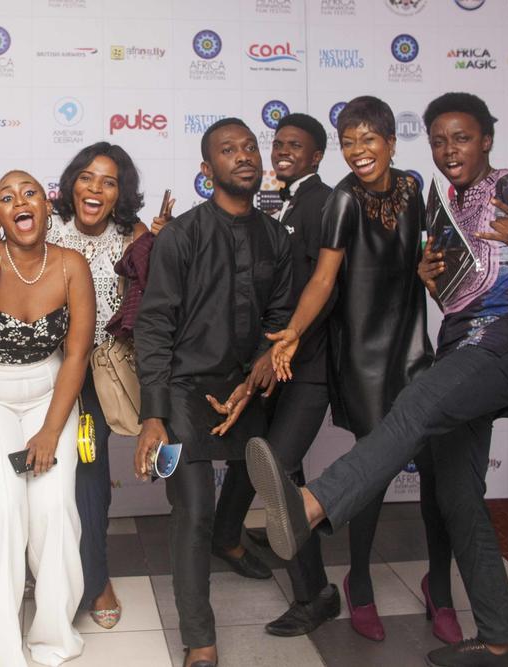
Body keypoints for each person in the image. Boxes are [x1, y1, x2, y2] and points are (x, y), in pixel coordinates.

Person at [250, 92, 508, 667]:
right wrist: (435, 281)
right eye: (440, 139)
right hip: (459, 343)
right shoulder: (446, 200)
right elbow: (458, 286)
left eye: (462, 137)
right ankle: (501, 641)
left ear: (486, 141)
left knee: (417, 402)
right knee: (457, 497)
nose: (449, 149)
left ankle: (309, 506)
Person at [248, 96, 458, 645]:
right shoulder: (342, 200)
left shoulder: (413, 190)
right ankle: (359, 585)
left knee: (439, 471)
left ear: (391, 141)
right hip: (362, 356)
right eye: (348, 141)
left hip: (412, 345)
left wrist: (427, 271)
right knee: (373, 472)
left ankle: (442, 586)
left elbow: (420, 257)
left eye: (368, 140)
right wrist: (292, 331)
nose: (358, 151)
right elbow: (322, 279)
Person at [134, 118, 292, 667]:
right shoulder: (181, 235)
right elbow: (153, 326)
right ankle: (199, 639)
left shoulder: (277, 237)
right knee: (192, 507)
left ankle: (231, 540)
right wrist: (154, 415)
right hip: (183, 392)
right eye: (228, 150)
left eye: (250, 147)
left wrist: (256, 377)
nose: (243, 156)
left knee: (253, 472)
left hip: (249, 388)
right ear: (208, 170)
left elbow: (281, 318)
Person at [0, 170, 94, 666]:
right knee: (4, 510)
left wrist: (51, 431)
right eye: (6, 197)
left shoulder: (72, 265)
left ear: (46, 207)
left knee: (54, 511)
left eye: (29, 192)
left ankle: (53, 637)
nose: (19, 201)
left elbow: (76, 355)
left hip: (49, 398)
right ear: (2, 216)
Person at [212, 113, 343, 635]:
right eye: (280, 143)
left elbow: (325, 289)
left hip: (306, 367)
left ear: (317, 156)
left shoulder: (324, 203)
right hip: (278, 366)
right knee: (260, 456)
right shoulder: (284, 202)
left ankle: (317, 595)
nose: (284, 152)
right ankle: (225, 536)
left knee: (281, 471)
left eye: (298, 146)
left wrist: (280, 350)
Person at [48, 141, 167, 627]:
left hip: (93, 378)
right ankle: (50, 573)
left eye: (109, 181)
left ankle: (95, 580)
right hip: (41, 372)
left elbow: (151, 305)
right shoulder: (48, 225)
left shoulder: (131, 234)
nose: (95, 188)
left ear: (121, 194)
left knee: (89, 478)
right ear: (72, 183)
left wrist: (159, 251)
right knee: (40, 482)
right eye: (87, 177)